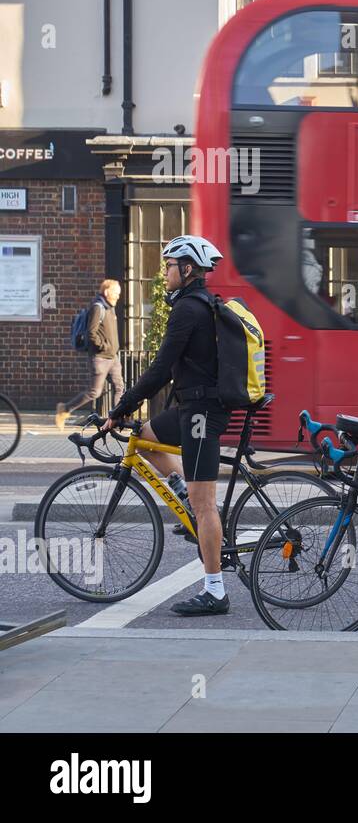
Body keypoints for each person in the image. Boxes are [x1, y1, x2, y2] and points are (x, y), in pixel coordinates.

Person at [106, 236, 232, 616]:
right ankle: (182, 492)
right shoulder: (201, 305)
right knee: (143, 439)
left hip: (200, 414)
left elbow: (160, 370)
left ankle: (215, 591)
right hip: (191, 409)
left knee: (205, 503)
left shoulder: (188, 310)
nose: (164, 273)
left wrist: (122, 406)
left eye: (169, 266)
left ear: (187, 269)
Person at [56, 280, 125, 430]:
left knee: (119, 387)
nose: (118, 296)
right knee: (94, 391)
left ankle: (115, 419)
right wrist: (104, 345)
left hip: (112, 357)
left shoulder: (110, 308)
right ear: (106, 292)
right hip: (100, 357)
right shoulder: (97, 307)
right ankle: (64, 409)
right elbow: (91, 333)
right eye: (116, 293)